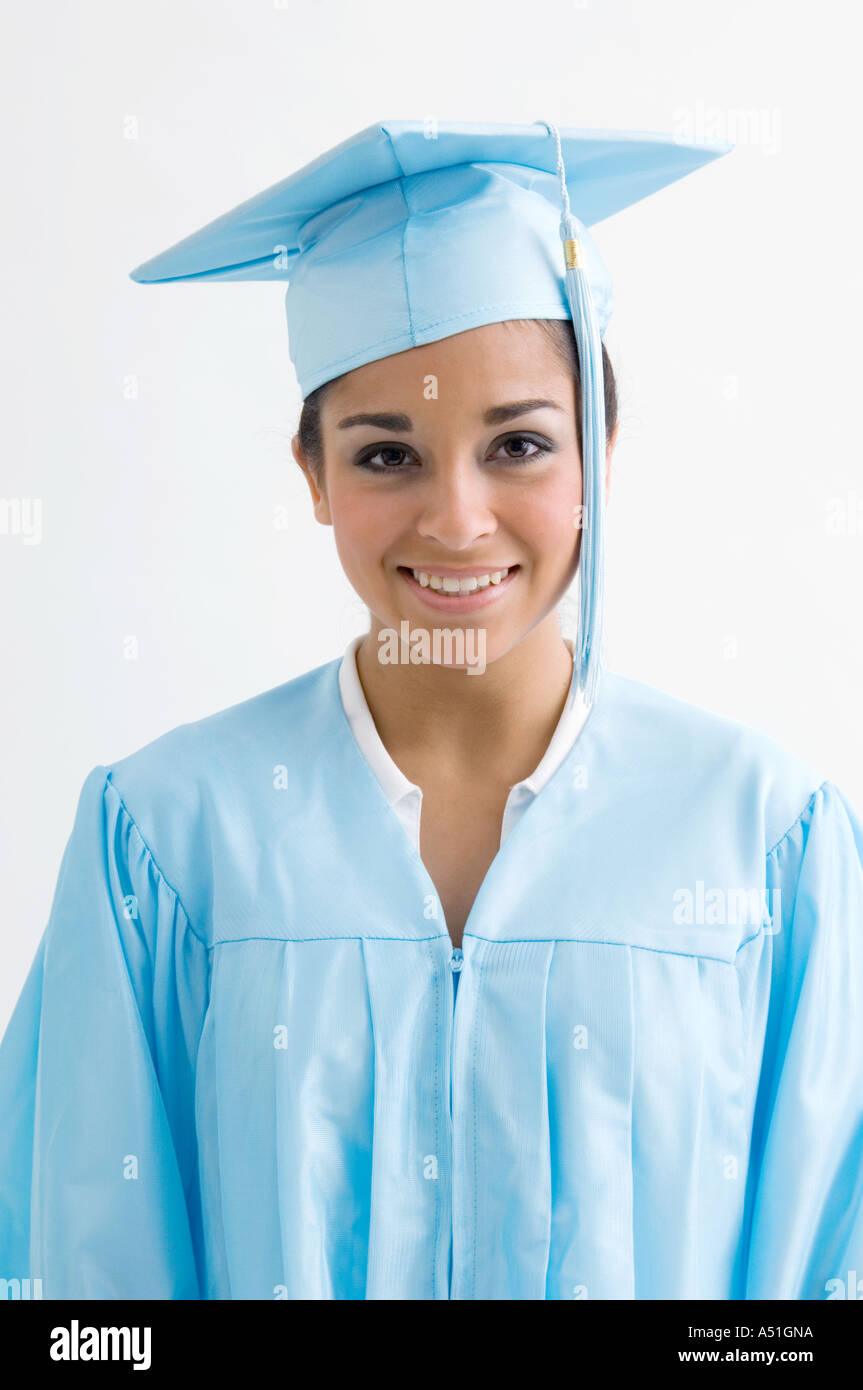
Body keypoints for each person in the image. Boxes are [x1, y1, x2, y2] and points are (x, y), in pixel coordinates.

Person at [1, 119, 862, 1301]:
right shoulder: (163, 840)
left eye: (518, 444)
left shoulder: (762, 839)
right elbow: (84, 1281)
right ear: (311, 473)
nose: (456, 519)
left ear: (600, 453)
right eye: (385, 455)